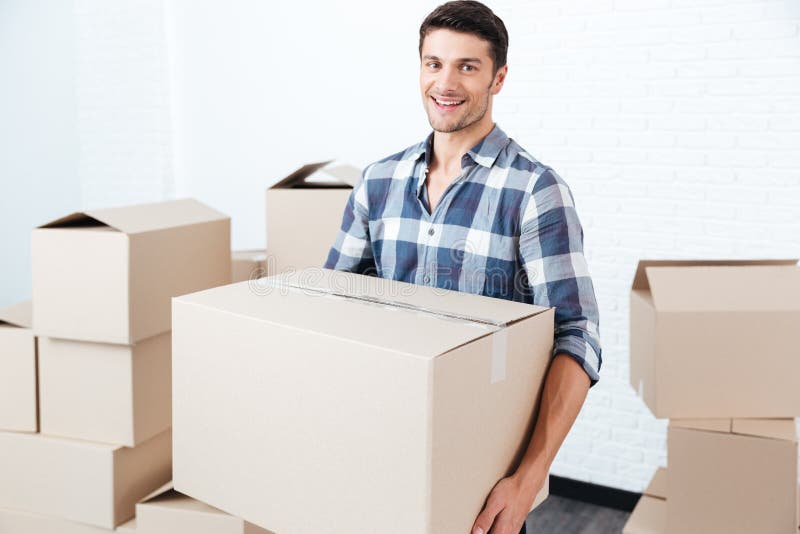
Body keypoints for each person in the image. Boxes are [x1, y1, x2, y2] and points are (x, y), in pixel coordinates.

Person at [324, 2, 601, 533]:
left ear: (499, 78)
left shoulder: (535, 191)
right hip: (382, 449)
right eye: (434, 64)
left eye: (467, 67)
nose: (445, 83)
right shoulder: (377, 182)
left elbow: (577, 335)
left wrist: (528, 480)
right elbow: (332, 304)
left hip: (480, 476)